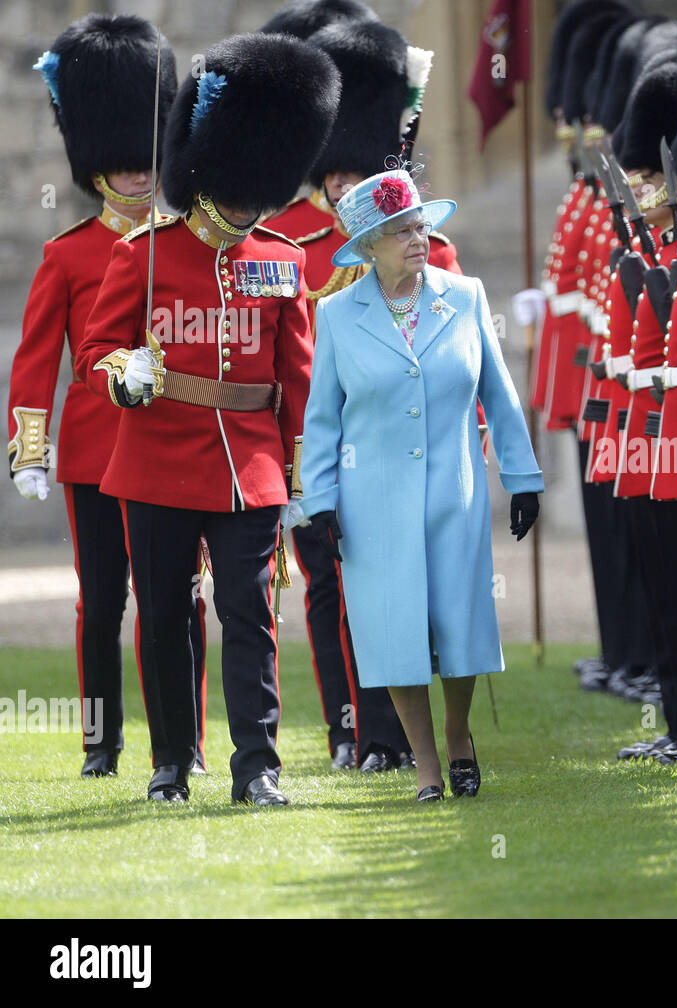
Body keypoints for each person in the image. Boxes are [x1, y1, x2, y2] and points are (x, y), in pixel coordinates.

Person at [76, 32, 340, 806]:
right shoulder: (144, 254)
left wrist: (303, 471)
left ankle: (257, 766)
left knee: (249, 616)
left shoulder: (282, 259)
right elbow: (95, 350)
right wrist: (125, 374)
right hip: (156, 458)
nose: (246, 201)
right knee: (162, 617)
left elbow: (299, 376)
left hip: (250, 465)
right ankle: (170, 759)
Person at [295, 168, 544, 802]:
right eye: (400, 230)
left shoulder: (464, 296)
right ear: (369, 246)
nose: (417, 237)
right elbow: (321, 419)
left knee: (458, 624)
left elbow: (499, 394)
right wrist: (318, 502)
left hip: (452, 497)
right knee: (392, 631)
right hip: (371, 503)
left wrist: (522, 478)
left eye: (420, 225)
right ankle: (427, 763)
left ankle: (458, 733)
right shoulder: (336, 316)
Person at [261, 1, 462, 773]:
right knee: (327, 589)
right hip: (319, 447)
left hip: (405, 442)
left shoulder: (430, 248)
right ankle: (352, 725)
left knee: (398, 589)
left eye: (355, 166)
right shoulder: (288, 246)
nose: (342, 181)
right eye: (333, 169)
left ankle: (403, 732)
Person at [10, 13, 210, 779]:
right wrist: (31, 448)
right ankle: (101, 744)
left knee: (181, 602)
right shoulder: (68, 256)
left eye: (144, 160)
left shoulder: (183, 244)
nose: (137, 173)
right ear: (96, 167)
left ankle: (185, 744)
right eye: (123, 164)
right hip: (96, 454)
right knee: (102, 607)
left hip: (170, 446)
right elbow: (35, 362)